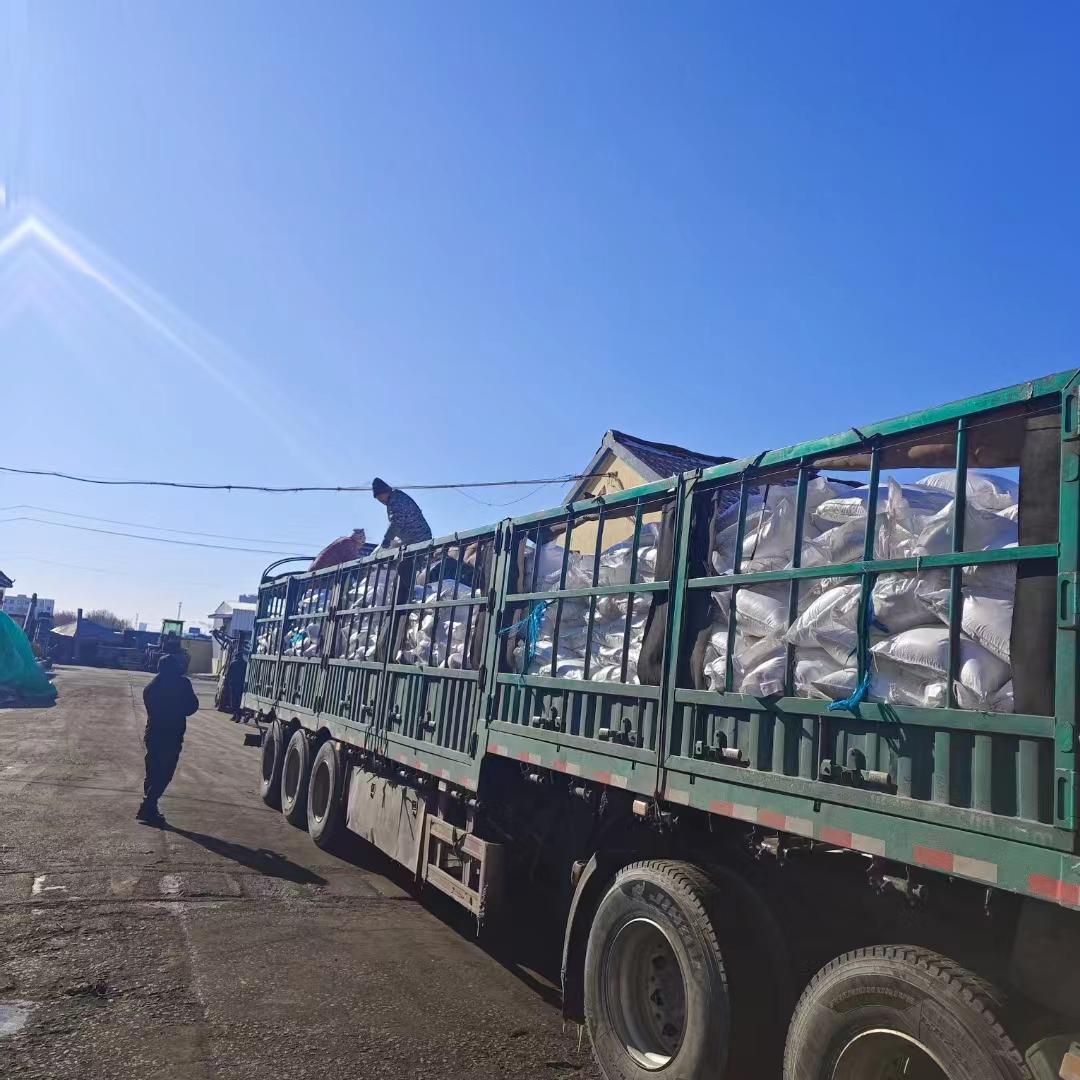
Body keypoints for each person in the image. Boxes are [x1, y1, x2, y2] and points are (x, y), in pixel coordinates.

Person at [137, 653, 200, 826]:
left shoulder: (150, 687)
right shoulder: (182, 683)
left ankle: (150, 806)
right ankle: (148, 805)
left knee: (152, 771)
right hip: (171, 734)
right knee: (165, 772)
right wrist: (178, 709)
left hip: (153, 733)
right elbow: (192, 707)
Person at [372, 477, 432, 548]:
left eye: (381, 497)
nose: (381, 501)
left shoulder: (396, 501)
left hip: (418, 539)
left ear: (386, 492)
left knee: (389, 549)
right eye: (378, 499)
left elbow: (397, 522)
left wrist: (387, 538)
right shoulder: (397, 497)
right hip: (418, 538)